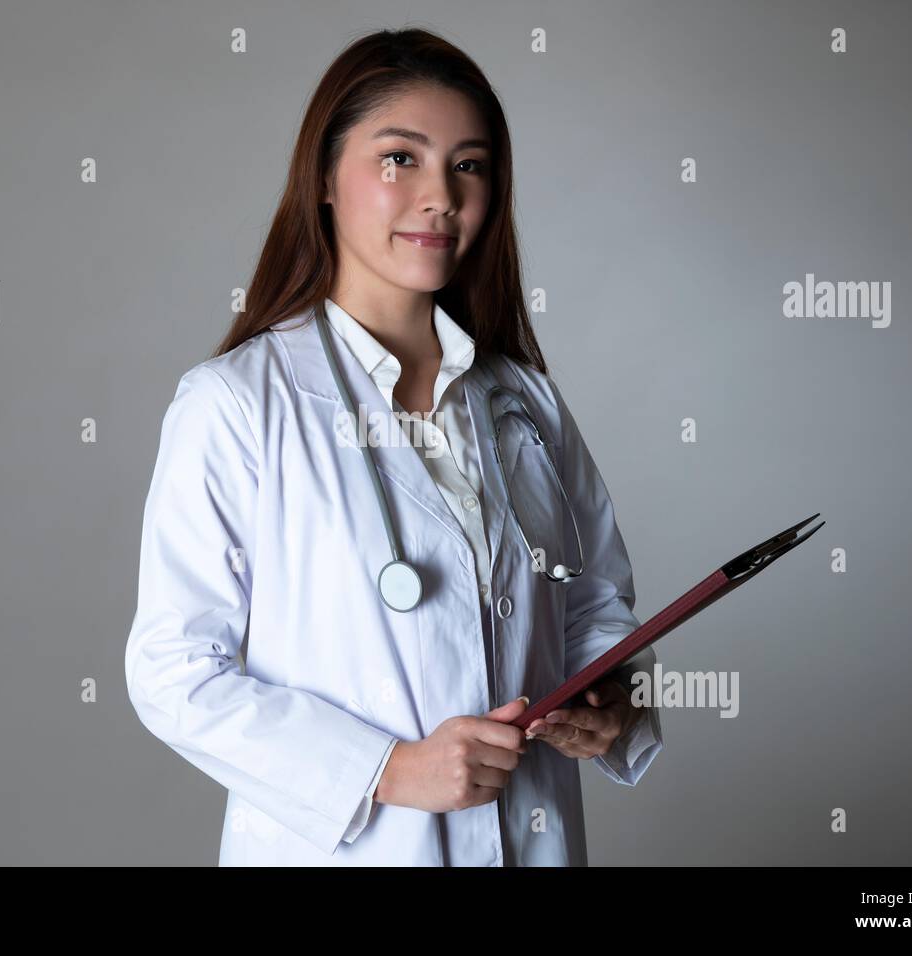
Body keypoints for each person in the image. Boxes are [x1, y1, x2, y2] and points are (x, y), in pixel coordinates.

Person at [124, 27, 662, 867]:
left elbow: (595, 603)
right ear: (326, 180)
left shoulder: (523, 402)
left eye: (470, 165)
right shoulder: (236, 403)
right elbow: (174, 673)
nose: (441, 195)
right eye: (399, 160)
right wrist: (386, 769)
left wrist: (611, 697)